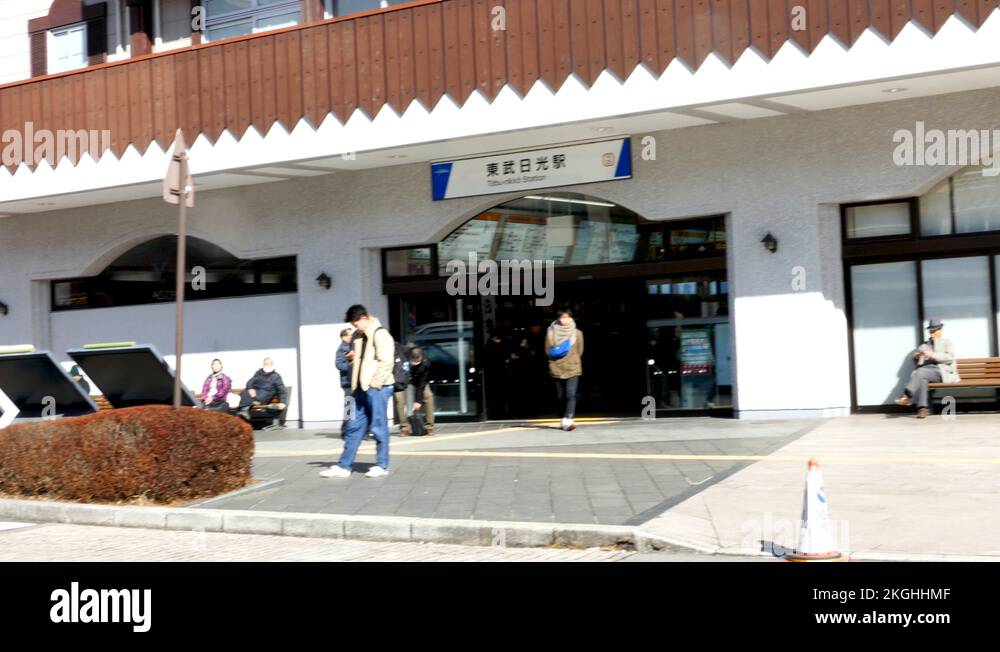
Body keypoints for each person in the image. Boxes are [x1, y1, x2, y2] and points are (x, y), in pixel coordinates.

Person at [321, 305, 395, 478]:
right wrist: (353, 360)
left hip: (378, 387)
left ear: (364, 318)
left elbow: (387, 361)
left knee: (378, 426)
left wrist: (375, 384)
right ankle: (344, 466)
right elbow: (363, 361)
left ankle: (382, 465)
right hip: (360, 388)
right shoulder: (359, 336)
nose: (355, 327)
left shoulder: (380, 334)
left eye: (356, 324)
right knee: (353, 426)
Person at [895, 319, 959, 418]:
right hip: (928, 372)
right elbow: (918, 358)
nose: (932, 333)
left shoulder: (947, 342)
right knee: (922, 378)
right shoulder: (925, 344)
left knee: (920, 373)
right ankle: (922, 409)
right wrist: (917, 356)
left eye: (934, 331)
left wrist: (932, 354)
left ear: (941, 330)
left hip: (943, 372)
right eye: (930, 331)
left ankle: (906, 396)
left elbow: (949, 357)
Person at [546, 309, 584, 431]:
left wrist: (572, 359)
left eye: (567, 317)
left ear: (571, 318)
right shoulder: (550, 332)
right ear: (558, 319)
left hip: (572, 367)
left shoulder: (577, 333)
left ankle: (568, 419)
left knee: (570, 394)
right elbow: (548, 351)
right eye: (562, 317)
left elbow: (580, 350)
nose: (565, 320)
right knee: (560, 396)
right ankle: (563, 416)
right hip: (557, 368)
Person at [407, 346, 434, 435]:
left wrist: (418, 401)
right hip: (405, 380)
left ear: (421, 357)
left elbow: (421, 384)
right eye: (414, 361)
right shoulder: (405, 353)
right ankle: (405, 427)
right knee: (402, 400)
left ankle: (429, 426)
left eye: (418, 361)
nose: (416, 363)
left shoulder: (426, 364)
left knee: (428, 396)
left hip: (419, 382)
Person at [335, 328, 355, 434]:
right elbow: (338, 365)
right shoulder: (342, 349)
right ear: (343, 337)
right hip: (347, 382)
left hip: (354, 381)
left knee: (352, 405)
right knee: (349, 405)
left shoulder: (352, 346)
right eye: (350, 335)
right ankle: (345, 429)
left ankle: (350, 429)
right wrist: (351, 364)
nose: (352, 337)